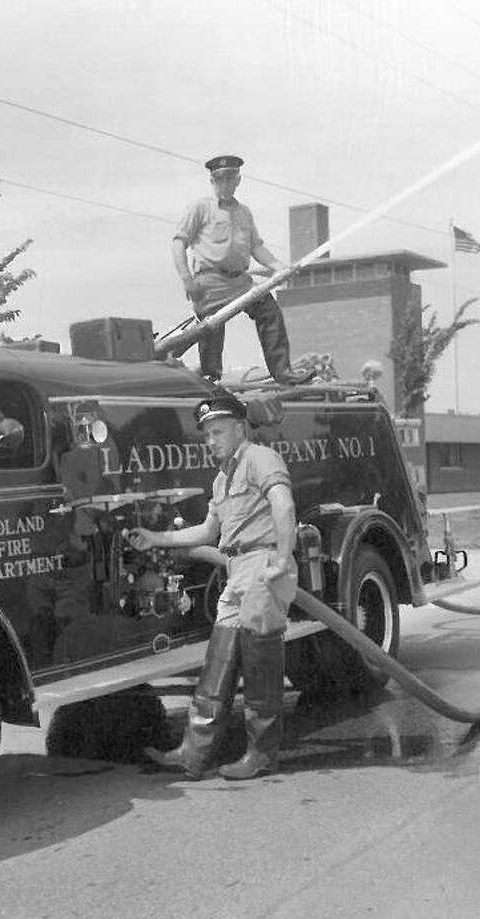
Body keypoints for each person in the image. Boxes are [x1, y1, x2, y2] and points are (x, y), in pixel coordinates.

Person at [126, 394, 297, 779]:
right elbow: (207, 532)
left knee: (259, 664)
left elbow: (284, 507)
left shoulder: (260, 458)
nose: (211, 440)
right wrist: (157, 538)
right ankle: (194, 754)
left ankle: (262, 755)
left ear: (240, 428)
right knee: (218, 660)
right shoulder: (223, 478)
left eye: (218, 431)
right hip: (238, 569)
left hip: (263, 563)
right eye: (206, 434)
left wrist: (283, 561)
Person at [172, 154, 305, 384]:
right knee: (211, 332)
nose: (224, 183)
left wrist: (279, 267)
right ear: (212, 181)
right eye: (219, 179)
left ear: (238, 180)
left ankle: (282, 371)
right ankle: (210, 377)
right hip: (209, 282)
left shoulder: (244, 212)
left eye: (229, 178)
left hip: (240, 282)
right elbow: (178, 244)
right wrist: (187, 279)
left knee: (268, 308)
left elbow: (257, 247)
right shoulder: (200, 208)